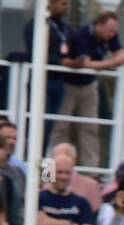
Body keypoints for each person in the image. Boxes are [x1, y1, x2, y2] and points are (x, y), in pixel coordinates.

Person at [59, 11, 124, 170]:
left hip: (89, 85)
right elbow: (87, 64)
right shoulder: (82, 35)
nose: (113, 34)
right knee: (60, 127)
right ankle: (51, 172)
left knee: (90, 128)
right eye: (110, 30)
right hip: (68, 85)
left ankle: (91, 171)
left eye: (115, 31)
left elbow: (119, 51)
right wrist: (114, 62)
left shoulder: (110, 35)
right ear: (98, 25)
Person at [24, 0, 81, 147]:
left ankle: (41, 154)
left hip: (59, 81)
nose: (66, 7)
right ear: (50, 4)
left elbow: (73, 48)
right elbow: (35, 52)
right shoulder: (36, 25)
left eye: (68, 4)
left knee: (50, 124)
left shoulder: (66, 28)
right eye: (63, 4)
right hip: (41, 79)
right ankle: (29, 152)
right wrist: (60, 62)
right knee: (35, 121)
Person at [49, 143, 101, 212]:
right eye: (57, 159)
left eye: (65, 158)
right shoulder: (46, 186)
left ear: (74, 160)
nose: (61, 162)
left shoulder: (91, 186)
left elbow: (94, 217)